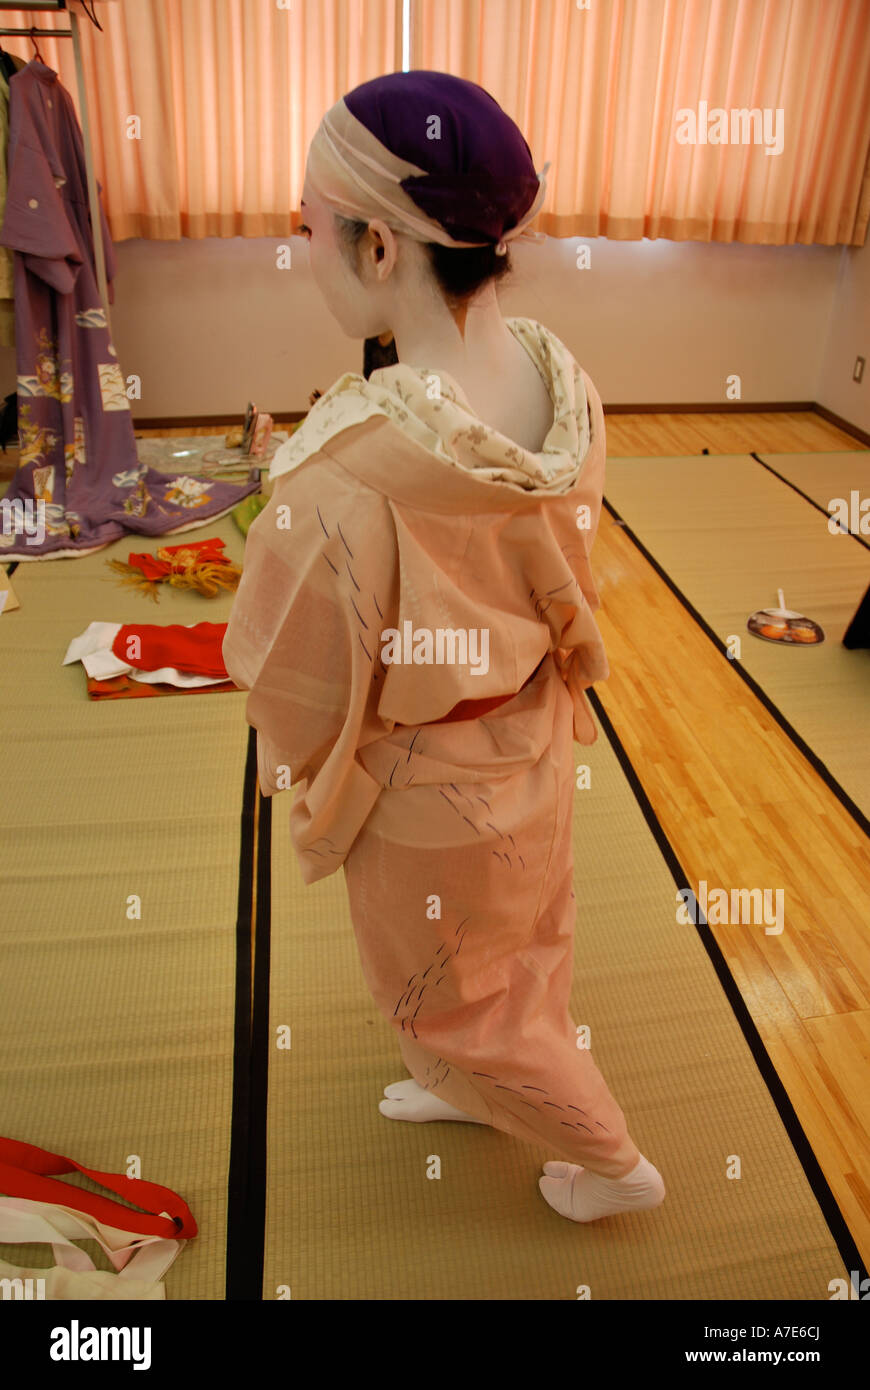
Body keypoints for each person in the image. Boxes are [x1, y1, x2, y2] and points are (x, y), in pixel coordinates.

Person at [222, 71, 665, 1224]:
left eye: (306, 222)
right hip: (529, 734)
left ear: (379, 247)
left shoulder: (348, 463)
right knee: (522, 948)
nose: (298, 241)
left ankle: (618, 1164)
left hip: (425, 780)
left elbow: (288, 670)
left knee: (450, 996)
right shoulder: (567, 385)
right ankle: (467, 1089)